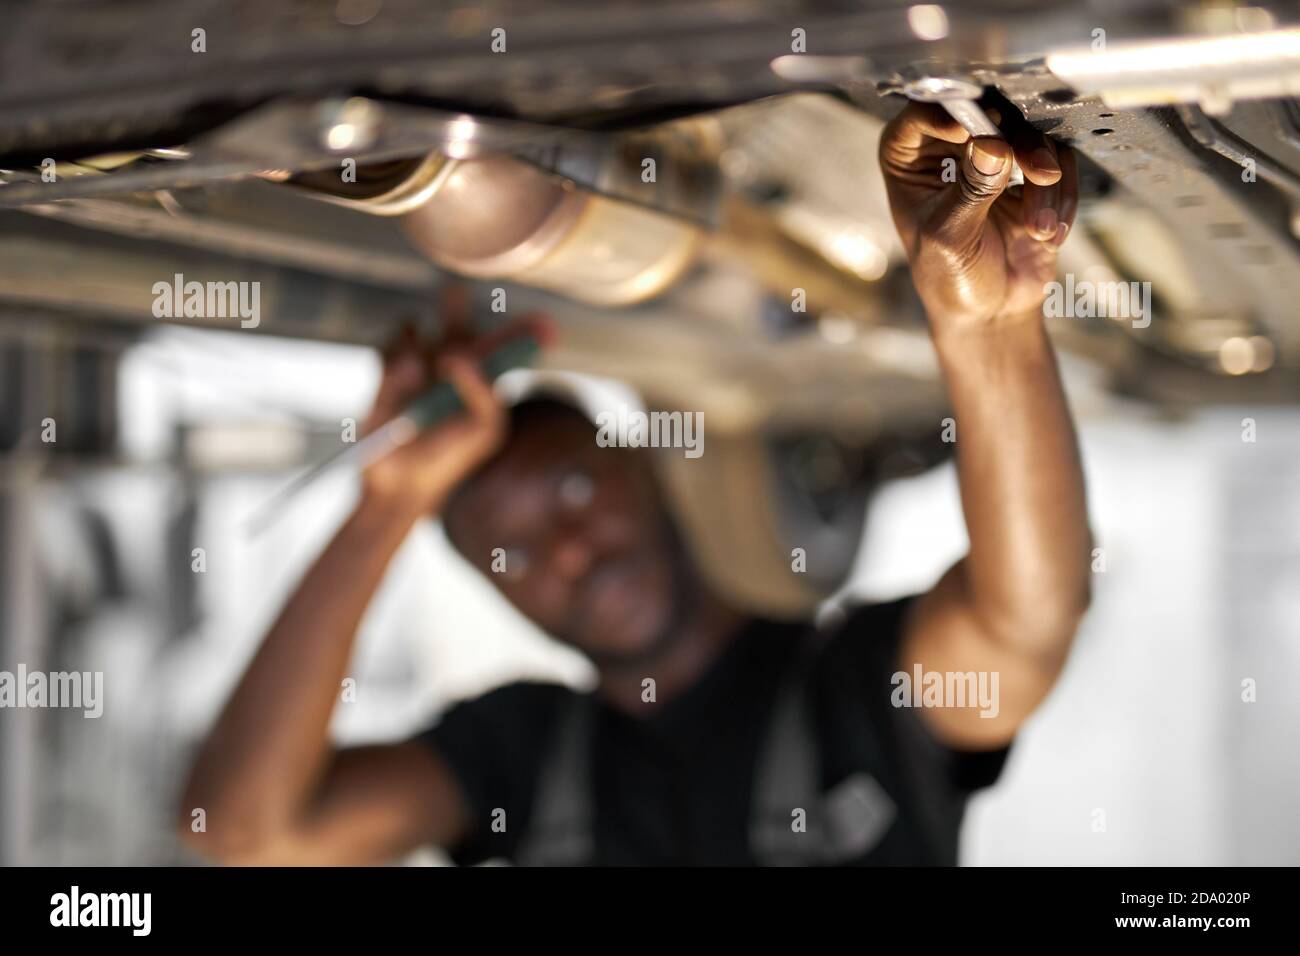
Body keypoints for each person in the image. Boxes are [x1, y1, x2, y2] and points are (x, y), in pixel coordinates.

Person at [178, 102, 1090, 866]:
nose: (567, 550)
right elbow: (245, 833)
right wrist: (387, 507)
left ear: (645, 465)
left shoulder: (851, 688)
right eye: (516, 549)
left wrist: (988, 334)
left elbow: (1023, 626)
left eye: (573, 490)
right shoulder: (515, 756)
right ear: (496, 592)